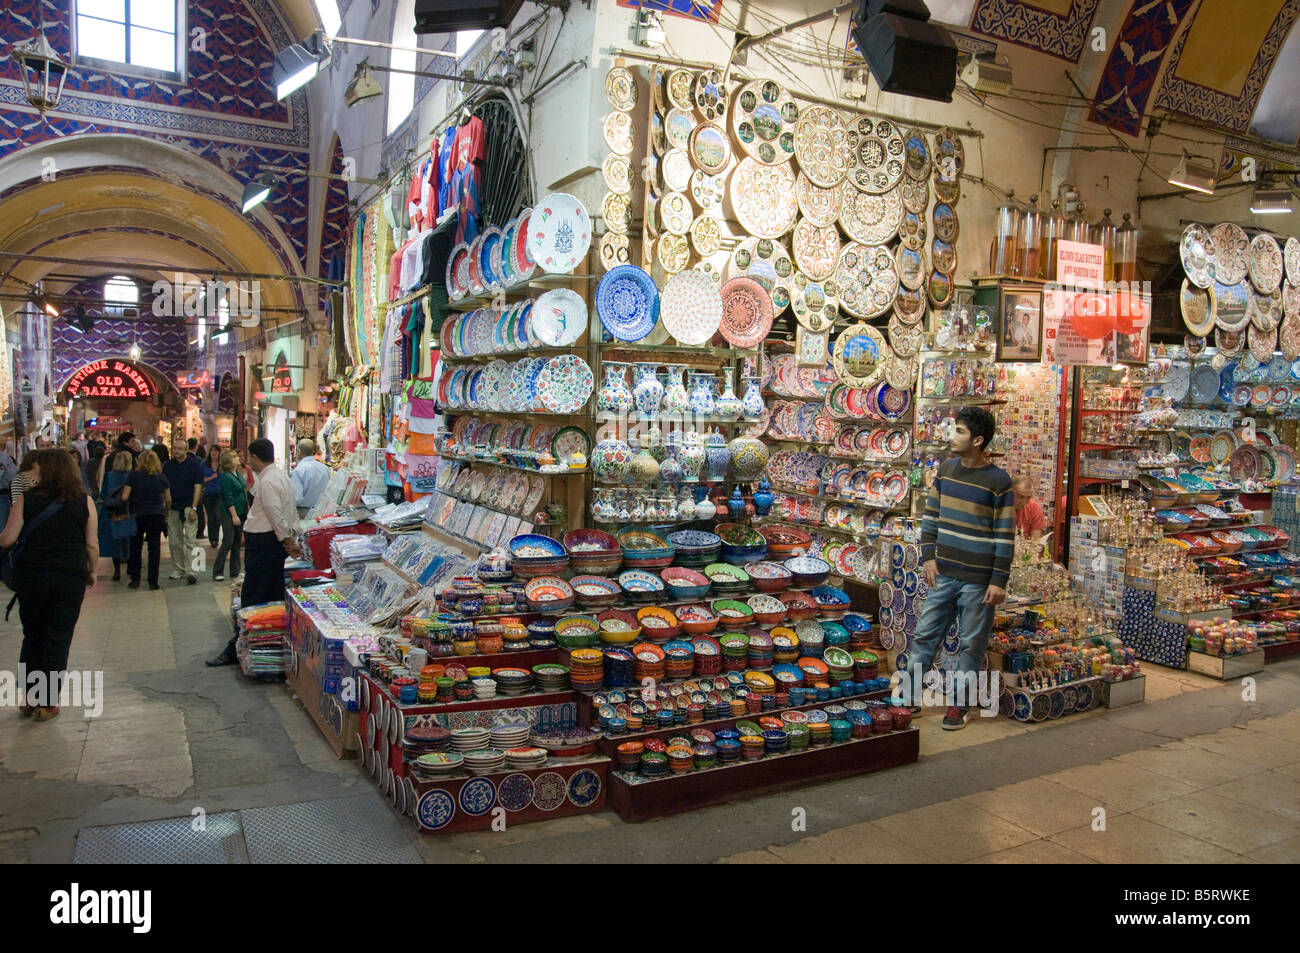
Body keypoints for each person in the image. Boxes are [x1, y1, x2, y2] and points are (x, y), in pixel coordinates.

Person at [905, 406, 1015, 731]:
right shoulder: (946, 470)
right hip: (944, 573)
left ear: (978, 440)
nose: (952, 436)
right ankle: (909, 695)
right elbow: (931, 516)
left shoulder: (999, 482)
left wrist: (998, 580)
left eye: (960, 431)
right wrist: (928, 556)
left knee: (971, 644)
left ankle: (960, 705)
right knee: (925, 636)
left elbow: (1004, 535)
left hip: (978, 580)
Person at [0, 449, 98, 720]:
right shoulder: (84, 501)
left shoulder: (26, 498)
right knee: (57, 638)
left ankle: (29, 697)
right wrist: (92, 571)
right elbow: (91, 544)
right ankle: (47, 702)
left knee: (33, 635)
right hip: (69, 577)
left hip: (31, 577)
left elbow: (7, 539)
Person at [208, 438, 300, 666]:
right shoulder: (281, 477)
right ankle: (266, 647)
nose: (248, 461)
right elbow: (290, 511)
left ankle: (238, 646)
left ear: (256, 457)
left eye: (250, 457)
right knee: (271, 593)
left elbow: (274, 513)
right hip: (273, 542)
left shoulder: (267, 481)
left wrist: (287, 539)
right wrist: (290, 537)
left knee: (253, 595)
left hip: (264, 542)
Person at [120, 449, 171, 590]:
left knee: (136, 547)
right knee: (154, 548)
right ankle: (153, 581)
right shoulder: (160, 477)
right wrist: (165, 512)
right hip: (156, 514)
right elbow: (168, 499)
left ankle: (135, 578)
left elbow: (124, 496)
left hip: (138, 514)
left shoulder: (133, 476)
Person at [162, 437, 203, 584]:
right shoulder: (167, 466)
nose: (176, 451)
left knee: (191, 540)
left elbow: (198, 487)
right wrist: (165, 508)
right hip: (173, 507)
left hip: (188, 506)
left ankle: (194, 571)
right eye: (175, 448)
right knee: (174, 541)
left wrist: (194, 507)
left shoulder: (194, 465)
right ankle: (178, 569)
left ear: (186, 450)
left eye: (179, 449)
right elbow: (165, 488)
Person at [97, 450, 133, 581]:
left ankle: (117, 571)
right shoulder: (131, 475)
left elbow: (103, 495)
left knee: (115, 542)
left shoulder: (109, 476)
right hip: (128, 511)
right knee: (129, 539)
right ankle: (131, 567)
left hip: (112, 512)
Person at [213, 449, 248, 582]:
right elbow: (228, 497)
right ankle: (218, 570)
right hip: (229, 512)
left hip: (241, 510)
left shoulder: (237, 473)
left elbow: (242, 490)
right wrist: (234, 515)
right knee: (228, 540)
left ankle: (235, 570)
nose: (238, 458)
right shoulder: (226, 477)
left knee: (237, 542)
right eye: (235, 457)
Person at [291, 438, 330, 518]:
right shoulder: (325, 468)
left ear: (299, 451)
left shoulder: (298, 471)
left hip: (304, 513)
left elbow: (297, 498)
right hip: (323, 511)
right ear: (313, 451)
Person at [1012, 474, 1048, 540]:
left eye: (1028, 497)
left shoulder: (1034, 508)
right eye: (1020, 497)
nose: (1024, 502)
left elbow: (1035, 541)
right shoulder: (1000, 506)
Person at [201, 445, 224, 547]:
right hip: (208, 494)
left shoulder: (222, 465)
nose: (214, 453)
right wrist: (210, 478)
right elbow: (200, 479)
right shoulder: (204, 464)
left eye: (216, 451)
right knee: (211, 516)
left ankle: (216, 537)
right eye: (212, 451)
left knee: (217, 515)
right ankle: (212, 539)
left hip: (219, 494)